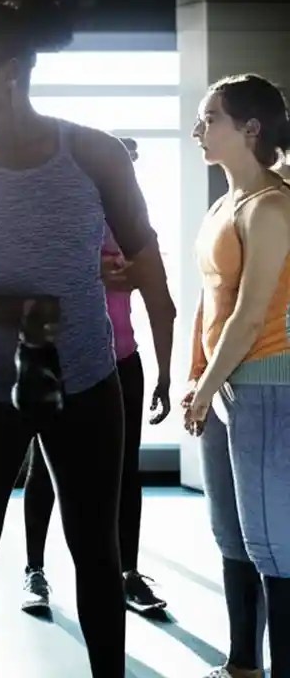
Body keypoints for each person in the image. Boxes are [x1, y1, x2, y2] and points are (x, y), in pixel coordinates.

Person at [0, 0, 175, 678]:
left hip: (90, 381)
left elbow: (147, 262)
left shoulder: (93, 153)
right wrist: (20, 308)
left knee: (97, 552)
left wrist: (166, 361)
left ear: (11, 73)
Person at [19, 137, 174, 616]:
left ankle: (128, 574)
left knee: (126, 471)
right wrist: (93, 272)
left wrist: (166, 374)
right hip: (61, 362)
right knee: (45, 469)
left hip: (122, 360)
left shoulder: (137, 235)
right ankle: (35, 572)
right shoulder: (65, 222)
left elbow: (161, 304)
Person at [182, 73, 290, 678]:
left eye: (210, 118)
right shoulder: (224, 205)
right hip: (225, 385)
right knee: (231, 535)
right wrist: (197, 375)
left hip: (269, 384)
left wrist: (206, 384)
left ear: (250, 128)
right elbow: (211, 297)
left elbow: (251, 316)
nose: (199, 129)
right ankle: (242, 664)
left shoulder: (273, 206)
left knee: (274, 543)